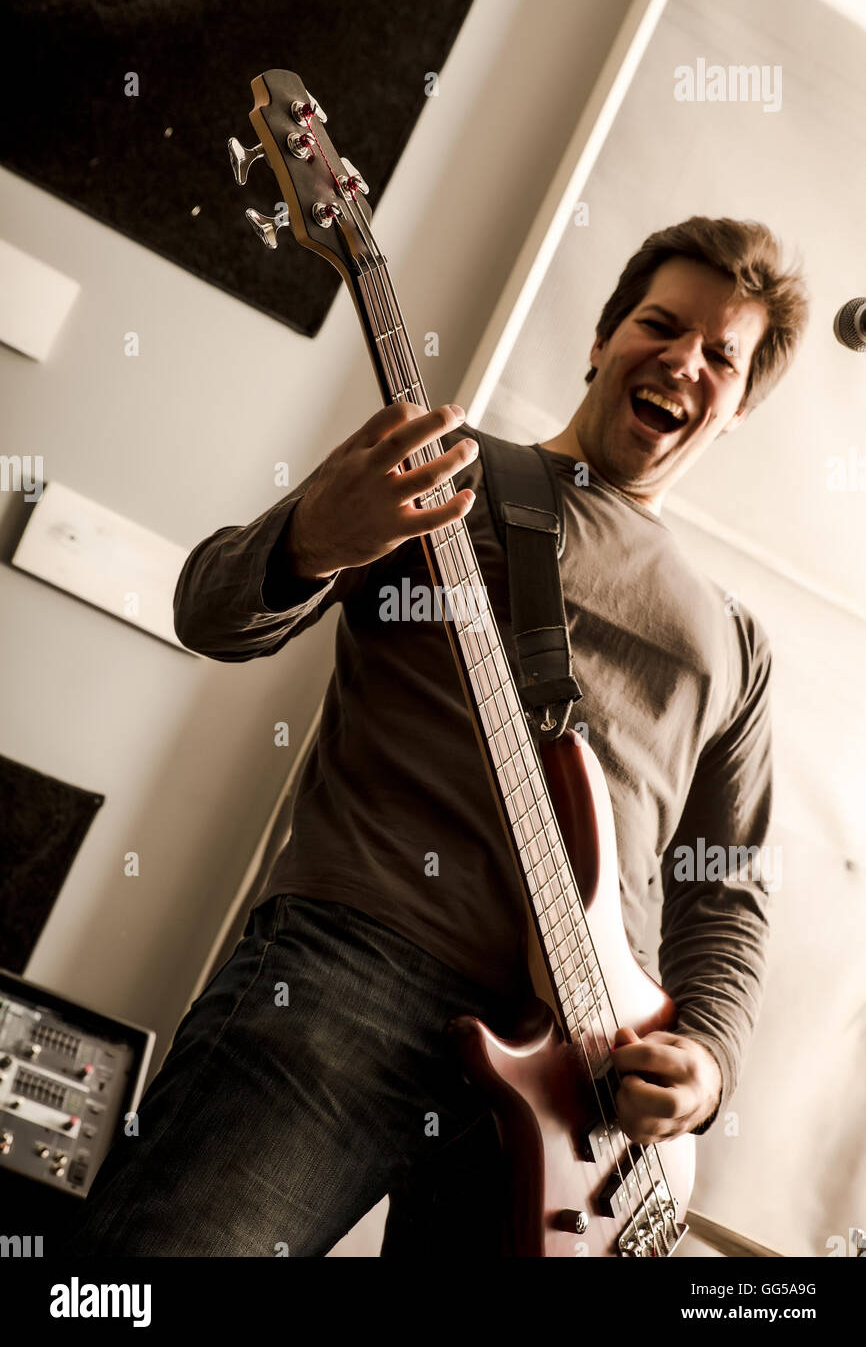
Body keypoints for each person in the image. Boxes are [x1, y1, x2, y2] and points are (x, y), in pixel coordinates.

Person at [62, 216, 809, 1258]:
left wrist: (710, 1061)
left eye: (720, 356)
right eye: (659, 324)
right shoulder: (441, 475)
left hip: (586, 1088)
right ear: (602, 337)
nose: (683, 360)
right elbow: (211, 612)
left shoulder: (735, 641)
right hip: (349, 972)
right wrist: (311, 539)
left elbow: (725, 890)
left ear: (736, 408)